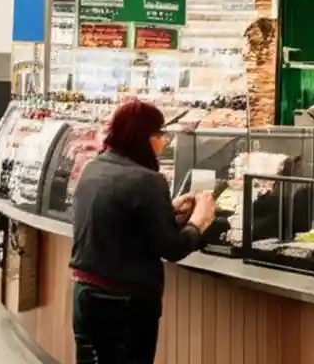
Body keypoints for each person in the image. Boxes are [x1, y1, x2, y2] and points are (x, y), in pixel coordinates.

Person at [70, 99, 216, 364]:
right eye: (161, 135)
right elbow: (172, 248)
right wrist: (199, 221)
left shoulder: (93, 168)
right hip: (127, 305)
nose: (164, 142)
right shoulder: (148, 180)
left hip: (85, 296)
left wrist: (166, 210)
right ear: (144, 138)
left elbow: (117, 220)